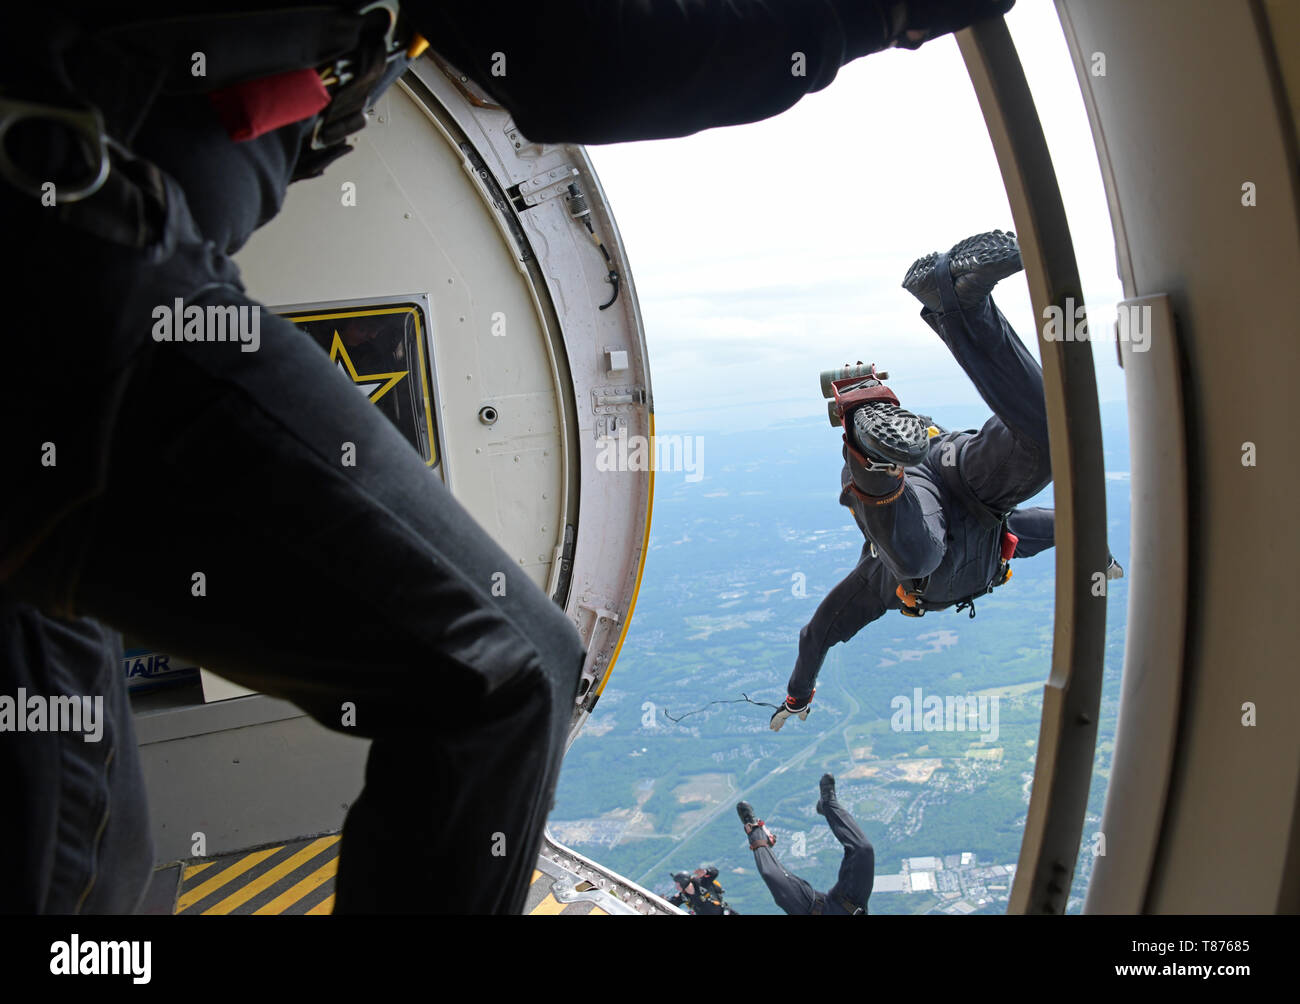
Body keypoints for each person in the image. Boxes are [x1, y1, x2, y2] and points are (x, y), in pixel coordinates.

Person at [0, 1, 1015, 913]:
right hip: (66, 265)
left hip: (72, 251)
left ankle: (939, 351)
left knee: (84, 851)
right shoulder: (901, 581)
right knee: (502, 671)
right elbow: (575, 56)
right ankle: (928, 374)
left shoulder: (893, 585)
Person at [770, 230, 1122, 730]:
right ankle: (960, 302)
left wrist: (797, 695)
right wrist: (1097, 554)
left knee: (913, 556)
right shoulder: (1004, 539)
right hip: (962, 477)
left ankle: (871, 444)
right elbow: (1065, 529)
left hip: (923, 468)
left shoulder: (880, 584)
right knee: (1050, 448)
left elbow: (817, 633)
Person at [738, 774, 872, 914]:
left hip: (810, 908)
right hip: (851, 904)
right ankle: (828, 804)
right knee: (863, 851)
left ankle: (755, 830)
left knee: (772, 875)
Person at [668, 867, 737, 915]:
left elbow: (714, 872)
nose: (676, 887)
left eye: (677, 884)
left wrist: (706, 871)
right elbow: (670, 903)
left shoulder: (702, 883)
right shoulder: (684, 896)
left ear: (683, 882)